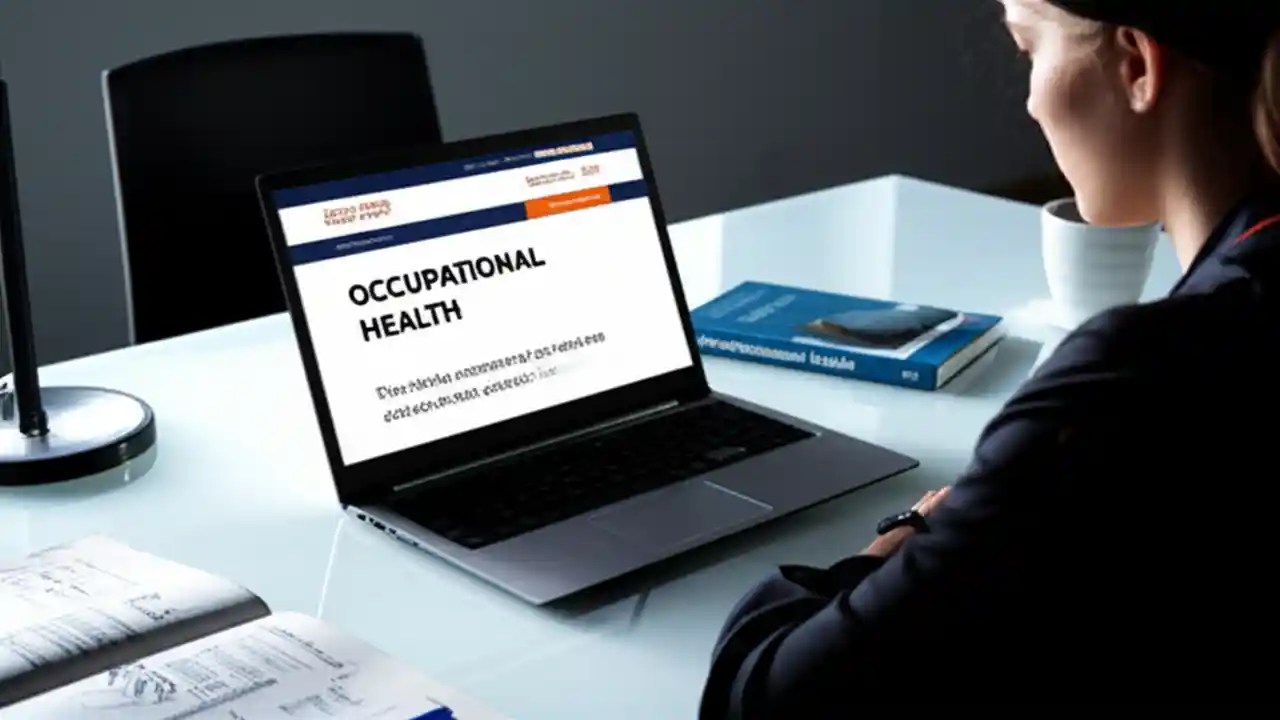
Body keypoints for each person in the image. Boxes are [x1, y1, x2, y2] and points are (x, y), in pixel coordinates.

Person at [699, 1, 1280, 714]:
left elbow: (758, 695)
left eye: (1028, 50)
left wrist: (904, 535)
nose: (1032, 102)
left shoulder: (1136, 378)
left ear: (1135, 64)